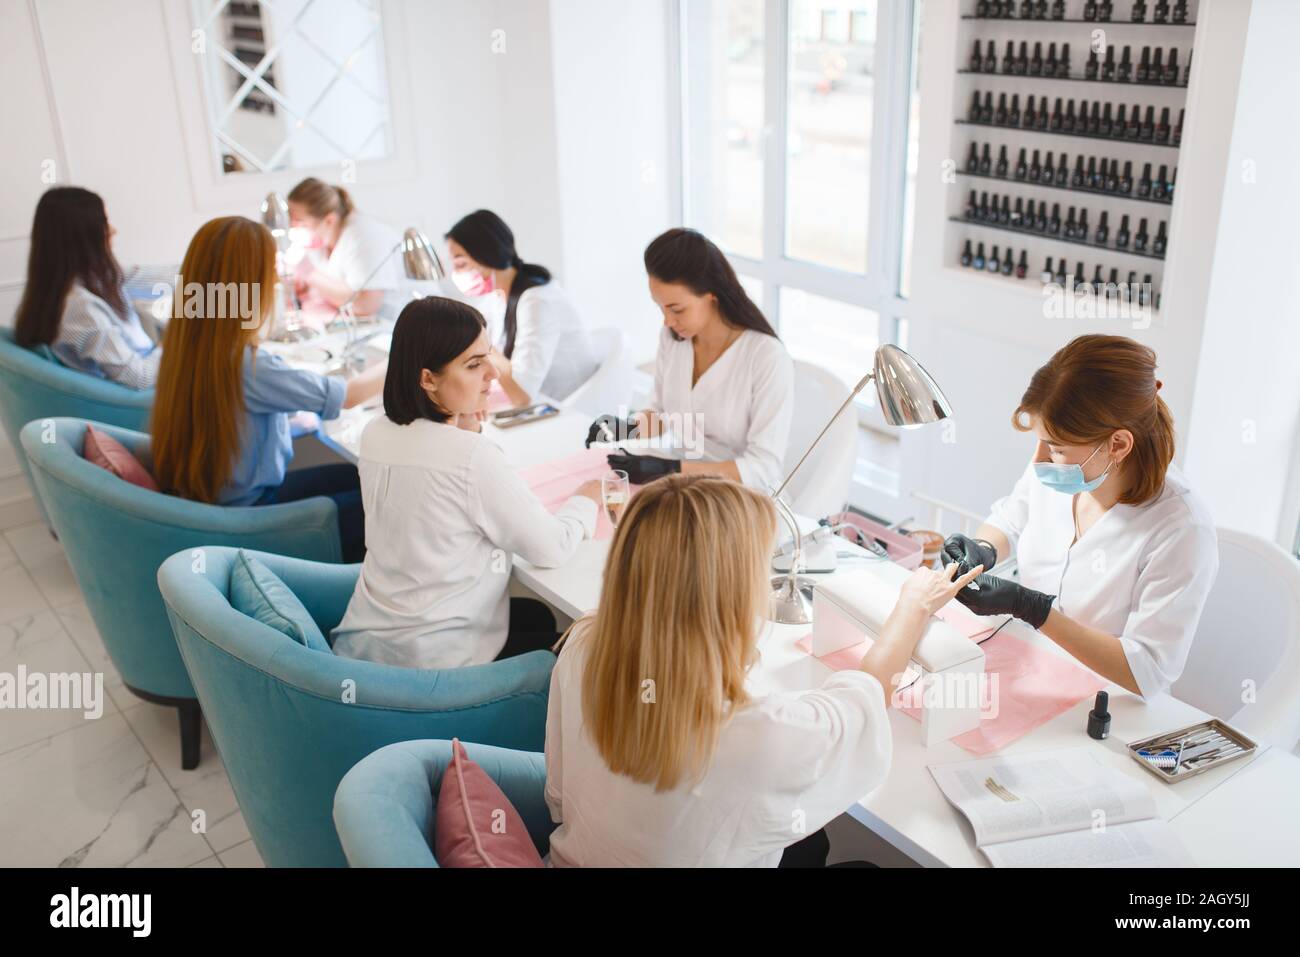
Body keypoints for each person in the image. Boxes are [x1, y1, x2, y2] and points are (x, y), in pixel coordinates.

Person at [544, 473, 983, 867]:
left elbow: (559, 800)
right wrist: (912, 606)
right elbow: (862, 701)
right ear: (729, 594)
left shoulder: (584, 642)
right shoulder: (752, 733)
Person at [330, 296, 601, 669]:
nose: (493, 373)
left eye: (488, 356)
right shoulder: (471, 458)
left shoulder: (375, 432)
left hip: (370, 648)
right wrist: (585, 501)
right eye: (474, 364)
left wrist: (465, 425)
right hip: (438, 668)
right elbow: (550, 548)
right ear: (427, 378)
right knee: (582, 645)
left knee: (532, 616)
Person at [942, 334, 1218, 698]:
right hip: (1026, 666)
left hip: (1104, 702)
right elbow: (1010, 520)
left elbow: (1148, 671)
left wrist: (1033, 609)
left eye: (1055, 448)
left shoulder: (1181, 529)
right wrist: (982, 548)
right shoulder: (1063, 470)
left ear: (1117, 444)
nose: (1039, 459)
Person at [149, 217, 385, 563]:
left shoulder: (187, 348)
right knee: (386, 498)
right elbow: (345, 396)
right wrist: (403, 356)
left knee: (361, 476)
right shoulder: (246, 364)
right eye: (269, 271)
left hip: (220, 505)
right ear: (248, 286)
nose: (276, 279)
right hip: (255, 519)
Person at [584, 228, 793, 492]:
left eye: (676, 309)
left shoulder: (766, 357)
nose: (668, 321)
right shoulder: (674, 338)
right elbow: (662, 415)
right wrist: (623, 429)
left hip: (743, 497)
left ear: (712, 296)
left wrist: (671, 470)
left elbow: (763, 468)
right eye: (660, 307)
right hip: (682, 486)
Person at [14, 186, 173, 389]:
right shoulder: (81, 308)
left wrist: (208, 266)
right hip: (140, 402)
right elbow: (141, 378)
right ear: (85, 236)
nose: (113, 230)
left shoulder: (74, 283)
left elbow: (158, 278)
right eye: (105, 223)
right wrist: (170, 342)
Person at [445, 209, 598, 406]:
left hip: (563, 404)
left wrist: (481, 343)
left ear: (487, 255)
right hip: (534, 399)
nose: (455, 273)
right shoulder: (496, 297)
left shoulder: (537, 301)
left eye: (460, 262)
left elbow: (522, 394)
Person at [287, 177, 402, 320]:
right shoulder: (320, 240)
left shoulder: (363, 236)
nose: (293, 228)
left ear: (329, 220)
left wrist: (309, 274)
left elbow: (366, 304)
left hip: (401, 322)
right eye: (290, 221)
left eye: (300, 223)